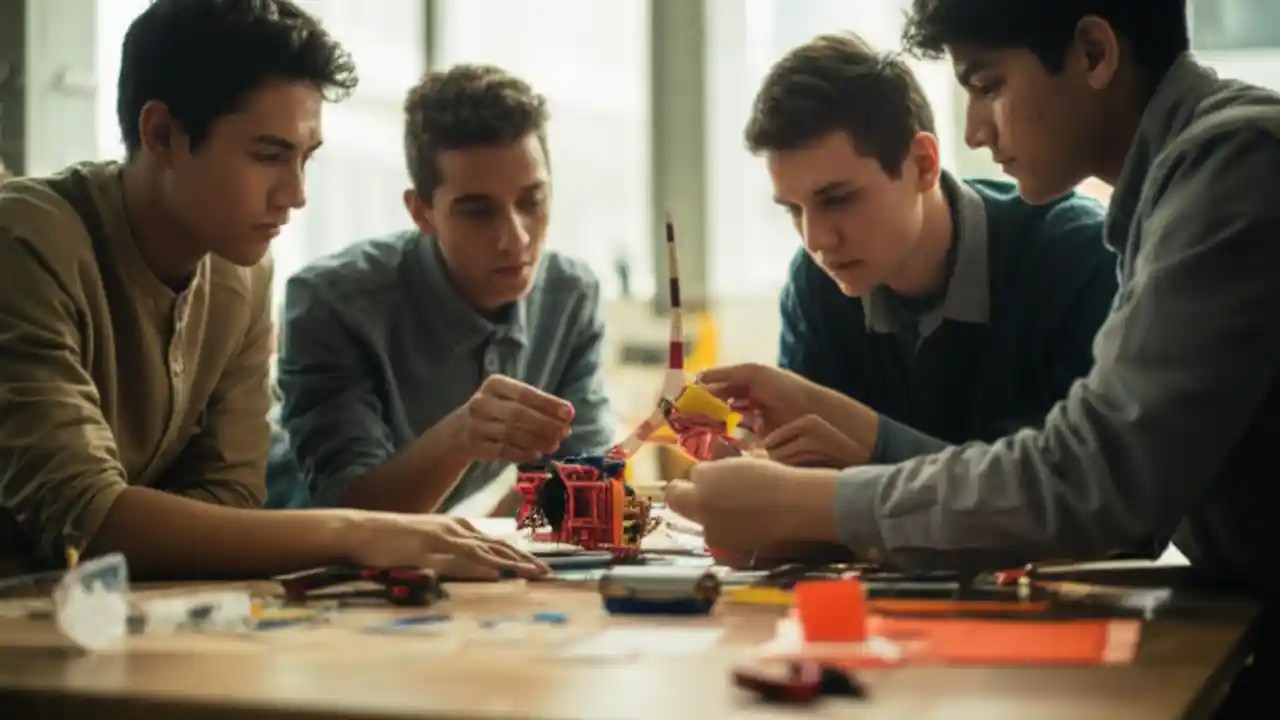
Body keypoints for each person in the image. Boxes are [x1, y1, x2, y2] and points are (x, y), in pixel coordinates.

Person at [668, 0, 1280, 602]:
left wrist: (804, 502)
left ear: (1095, 54)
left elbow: (1096, 488)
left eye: (989, 85)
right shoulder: (1181, 189)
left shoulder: (1233, 164)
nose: (974, 130)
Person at [0, 0, 545, 581]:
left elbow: (229, 499)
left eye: (305, 158)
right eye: (268, 155)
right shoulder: (26, 241)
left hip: (115, 620)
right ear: (161, 132)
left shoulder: (242, 271)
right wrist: (362, 531)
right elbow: (89, 515)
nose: (296, 193)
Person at [709, 32, 1115, 469]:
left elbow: (1080, 497)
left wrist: (869, 443)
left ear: (922, 164)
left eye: (838, 199)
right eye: (793, 210)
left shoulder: (1077, 257)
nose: (816, 241)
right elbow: (812, 487)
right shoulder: (815, 285)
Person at [275, 64, 613, 514]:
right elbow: (352, 512)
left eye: (532, 201)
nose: (516, 238)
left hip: (415, 554)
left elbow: (577, 481)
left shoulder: (569, 296)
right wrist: (462, 435)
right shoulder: (332, 302)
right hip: (274, 554)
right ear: (421, 213)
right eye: (478, 211)